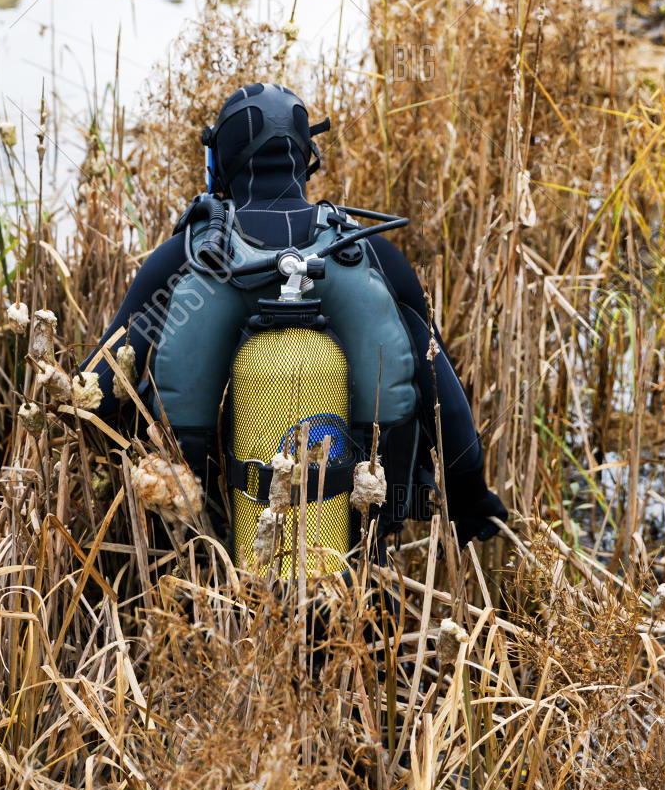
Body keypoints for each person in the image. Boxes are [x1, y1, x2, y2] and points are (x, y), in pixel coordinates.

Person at [81, 82, 506, 551]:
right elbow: (443, 397)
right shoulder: (370, 254)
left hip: (208, 547)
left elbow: (96, 391)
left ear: (220, 160)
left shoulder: (183, 259)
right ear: (306, 157)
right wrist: (472, 498)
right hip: (354, 538)